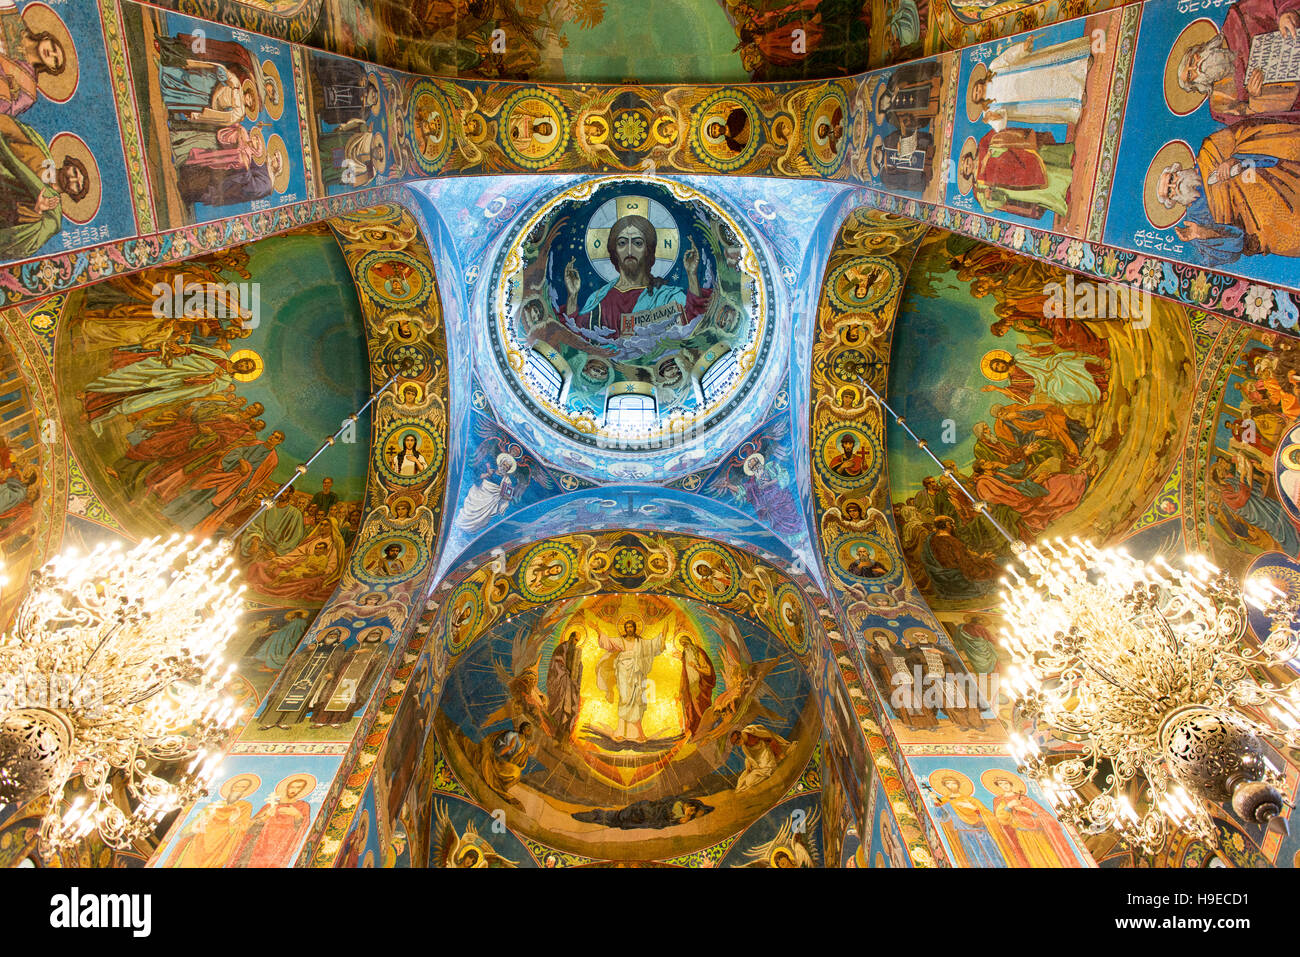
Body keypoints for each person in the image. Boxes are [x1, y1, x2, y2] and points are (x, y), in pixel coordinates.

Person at [1155, 120, 1300, 264]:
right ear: (1172, 201)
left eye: (1171, 178)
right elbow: (1232, 250)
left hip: (1282, 185)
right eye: (1169, 191)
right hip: (1275, 229)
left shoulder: (1209, 151)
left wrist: (1235, 159)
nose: (1174, 185)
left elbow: (1247, 133)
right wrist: (1205, 233)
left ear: (1178, 171)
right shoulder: (1196, 220)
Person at [561, 215, 711, 340]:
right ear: (614, 250)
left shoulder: (667, 296)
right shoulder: (599, 300)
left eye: (638, 243)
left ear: (648, 250)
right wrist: (572, 297)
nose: (629, 250)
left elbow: (694, 325)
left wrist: (692, 275)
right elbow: (577, 338)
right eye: (622, 243)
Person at [1175, 4, 1300, 125]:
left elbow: (1276, 4)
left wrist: (1287, 13)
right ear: (1198, 85)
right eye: (1190, 74)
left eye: (1192, 61)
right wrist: (1255, 99)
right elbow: (1251, 122)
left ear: (1199, 50)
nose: (1197, 67)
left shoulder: (1236, 18)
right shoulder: (1220, 105)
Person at [0, 113, 86, 258]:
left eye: (77, 185)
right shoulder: (39, 152)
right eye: (75, 172)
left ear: (73, 194)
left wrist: (37, 211)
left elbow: (27, 239)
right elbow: (12, 130)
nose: (72, 179)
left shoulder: (53, 214)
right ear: (68, 164)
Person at [969, 34, 1092, 130]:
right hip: (1027, 98)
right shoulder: (987, 110)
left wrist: (1023, 48)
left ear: (978, 83)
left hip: (1028, 74)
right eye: (976, 95)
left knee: (1054, 73)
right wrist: (993, 117)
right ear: (978, 100)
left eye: (976, 89)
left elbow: (1007, 57)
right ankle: (1078, 97)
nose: (978, 92)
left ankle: (1082, 65)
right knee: (1052, 94)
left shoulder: (992, 68)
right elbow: (1000, 124)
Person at [959, 127, 1075, 220]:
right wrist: (990, 197)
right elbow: (991, 205)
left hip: (1015, 160)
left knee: (1039, 161)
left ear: (969, 157)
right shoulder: (978, 188)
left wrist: (996, 149)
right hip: (1013, 187)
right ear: (967, 174)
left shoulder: (982, 146)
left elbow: (997, 135)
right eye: (966, 169)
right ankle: (1062, 195)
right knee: (1037, 192)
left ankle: (1066, 158)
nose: (969, 166)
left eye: (967, 162)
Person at [596, 618, 667, 742]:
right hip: (623, 672)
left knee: (636, 700)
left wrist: (663, 636)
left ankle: (638, 733)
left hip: (636, 673)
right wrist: (597, 630)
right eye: (627, 627)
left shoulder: (641, 642)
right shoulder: (621, 641)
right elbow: (608, 643)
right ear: (625, 629)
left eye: (631, 627)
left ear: (634, 628)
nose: (629, 629)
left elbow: (652, 645)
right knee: (625, 699)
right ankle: (621, 732)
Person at [731, 723, 794, 791]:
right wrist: (749, 764)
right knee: (745, 780)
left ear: (740, 736)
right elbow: (750, 757)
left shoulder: (751, 731)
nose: (738, 745)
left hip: (766, 754)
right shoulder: (744, 746)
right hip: (758, 760)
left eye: (737, 742)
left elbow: (770, 738)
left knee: (756, 776)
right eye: (736, 744)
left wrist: (779, 753)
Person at [546, 631, 583, 742]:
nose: (575, 643)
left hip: (570, 684)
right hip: (561, 682)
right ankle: (554, 731)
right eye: (575, 639)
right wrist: (566, 672)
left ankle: (562, 734)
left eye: (577, 641)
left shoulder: (574, 651)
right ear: (570, 637)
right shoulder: (561, 648)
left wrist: (577, 668)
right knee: (560, 706)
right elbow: (556, 664)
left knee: (570, 707)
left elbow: (578, 667)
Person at [676, 634, 716, 735]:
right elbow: (684, 674)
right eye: (682, 644)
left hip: (700, 685)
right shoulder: (685, 655)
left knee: (702, 707)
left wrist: (696, 667)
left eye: (685, 643)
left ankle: (706, 728)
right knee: (692, 711)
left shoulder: (698, 652)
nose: (684, 646)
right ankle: (697, 732)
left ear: (689, 641)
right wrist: (680, 690)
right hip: (690, 687)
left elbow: (708, 671)